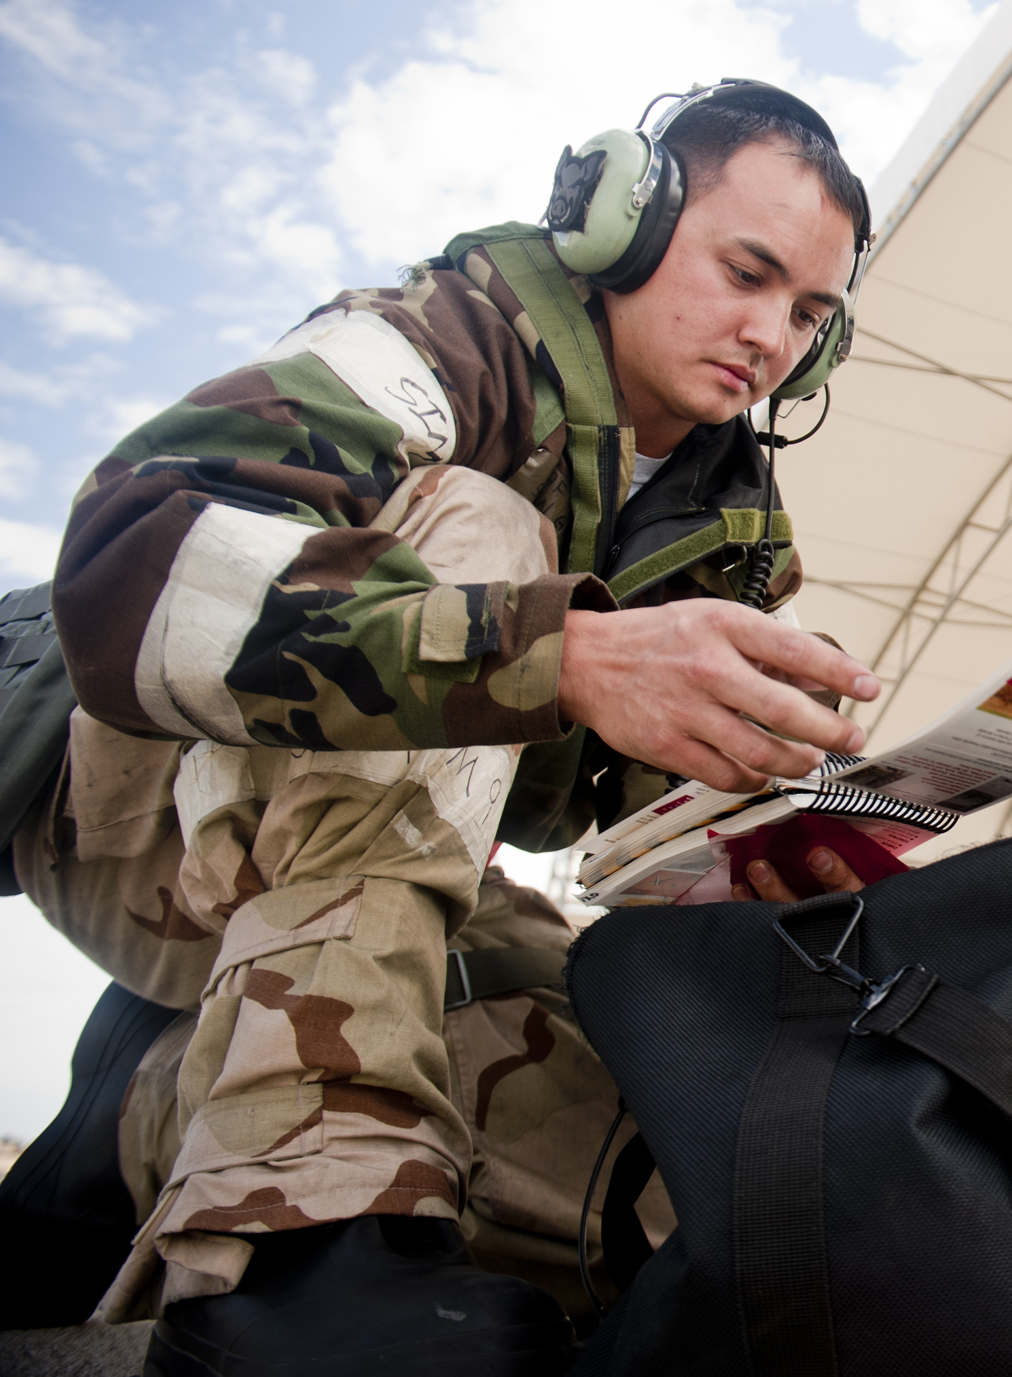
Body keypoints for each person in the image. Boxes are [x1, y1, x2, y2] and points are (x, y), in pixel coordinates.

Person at [17, 81, 883, 1374]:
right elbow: (130, 561)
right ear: (626, 225)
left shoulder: (730, 532)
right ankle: (301, 1236)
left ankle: (133, 1118)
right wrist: (555, 652)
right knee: (480, 530)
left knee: (587, 1077)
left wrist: (765, 851)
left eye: (808, 314)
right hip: (128, 806)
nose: (769, 336)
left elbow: (645, 834)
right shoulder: (441, 342)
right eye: (746, 273)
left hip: (358, 880)